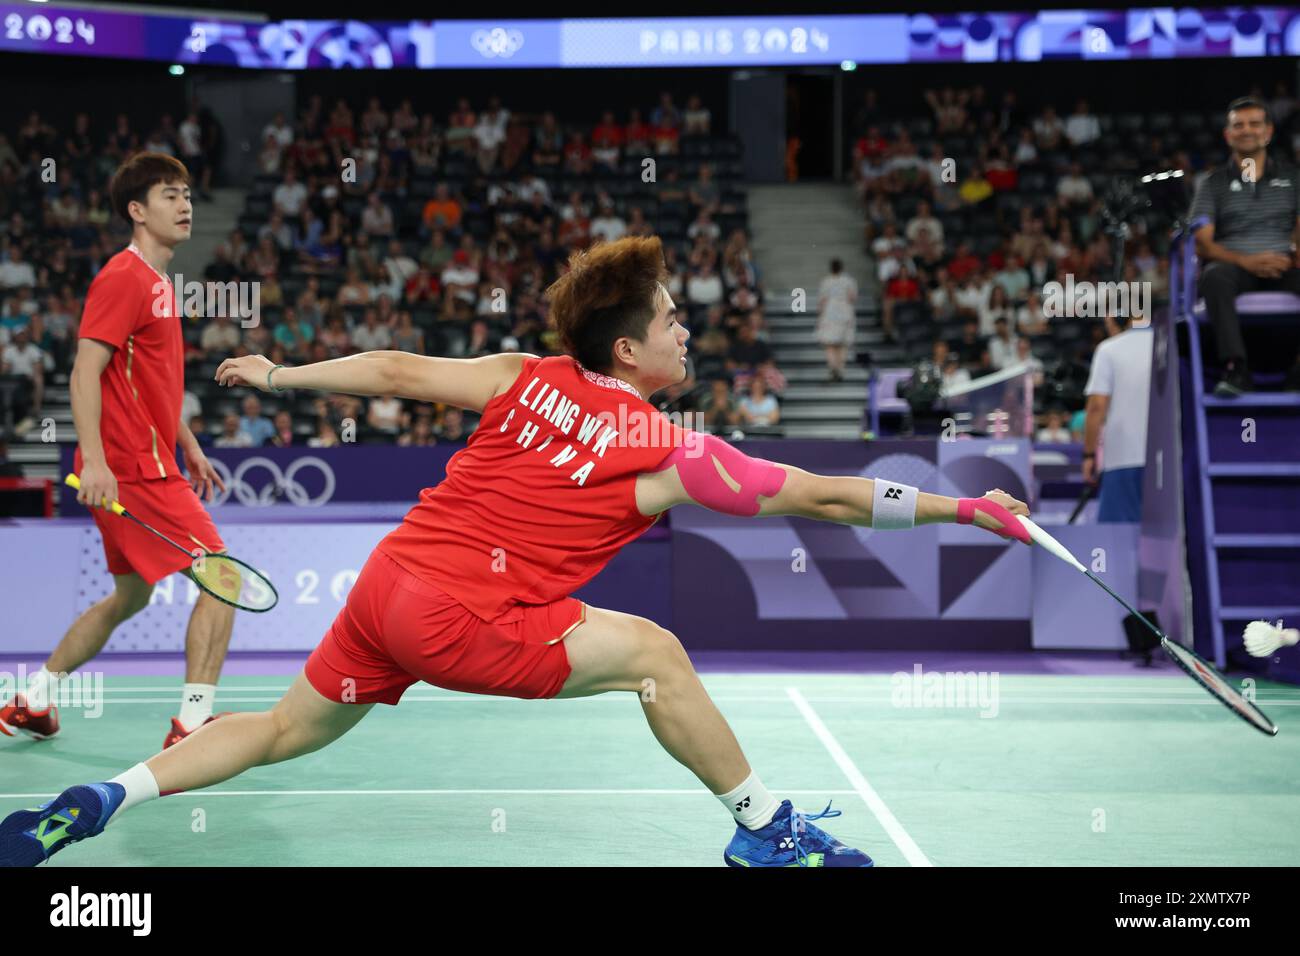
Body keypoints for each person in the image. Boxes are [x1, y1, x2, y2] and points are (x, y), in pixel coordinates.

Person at [2, 236, 1031, 868]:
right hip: (460, 619)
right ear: (627, 348)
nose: (687, 330)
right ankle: (763, 826)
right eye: (672, 319)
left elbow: (399, 368)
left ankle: (102, 797)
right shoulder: (679, 452)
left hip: (388, 583)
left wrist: (279, 376)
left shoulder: (523, 372)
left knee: (277, 729)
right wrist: (964, 510)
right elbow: (828, 496)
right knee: (659, 654)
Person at [0, 153, 236, 749]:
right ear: (136, 210)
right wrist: (97, 460)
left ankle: (33, 701)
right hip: (130, 472)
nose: (185, 205)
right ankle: (191, 724)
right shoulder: (122, 277)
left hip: (144, 462)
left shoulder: (160, 285)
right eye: (168, 195)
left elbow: (150, 386)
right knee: (224, 578)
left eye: (187, 194)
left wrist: (189, 443)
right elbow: (85, 373)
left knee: (131, 596)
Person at [1191, 97, 1300, 397]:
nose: (1246, 130)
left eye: (1254, 124)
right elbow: (1203, 243)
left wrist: (1293, 256)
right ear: (1228, 135)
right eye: (1238, 125)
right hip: (1235, 267)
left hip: (1285, 264)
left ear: (1268, 132)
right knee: (1213, 276)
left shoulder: (1293, 178)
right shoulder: (1212, 183)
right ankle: (1236, 369)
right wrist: (1247, 261)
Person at [1082, 313, 1153, 522]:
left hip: (1124, 456)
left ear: (1115, 319)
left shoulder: (1109, 349)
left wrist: (1088, 454)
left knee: (1118, 540)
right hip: (1166, 458)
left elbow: (1096, 407)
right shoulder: (1171, 344)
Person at [816, 259, 858, 382]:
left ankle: (832, 368)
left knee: (830, 344)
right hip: (845, 313)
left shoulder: (826, 281)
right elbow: (852, 298)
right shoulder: (849, 281)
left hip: (829, 313)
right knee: (842, 345)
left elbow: (822, 301)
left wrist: (820, 317)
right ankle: (840, 370)